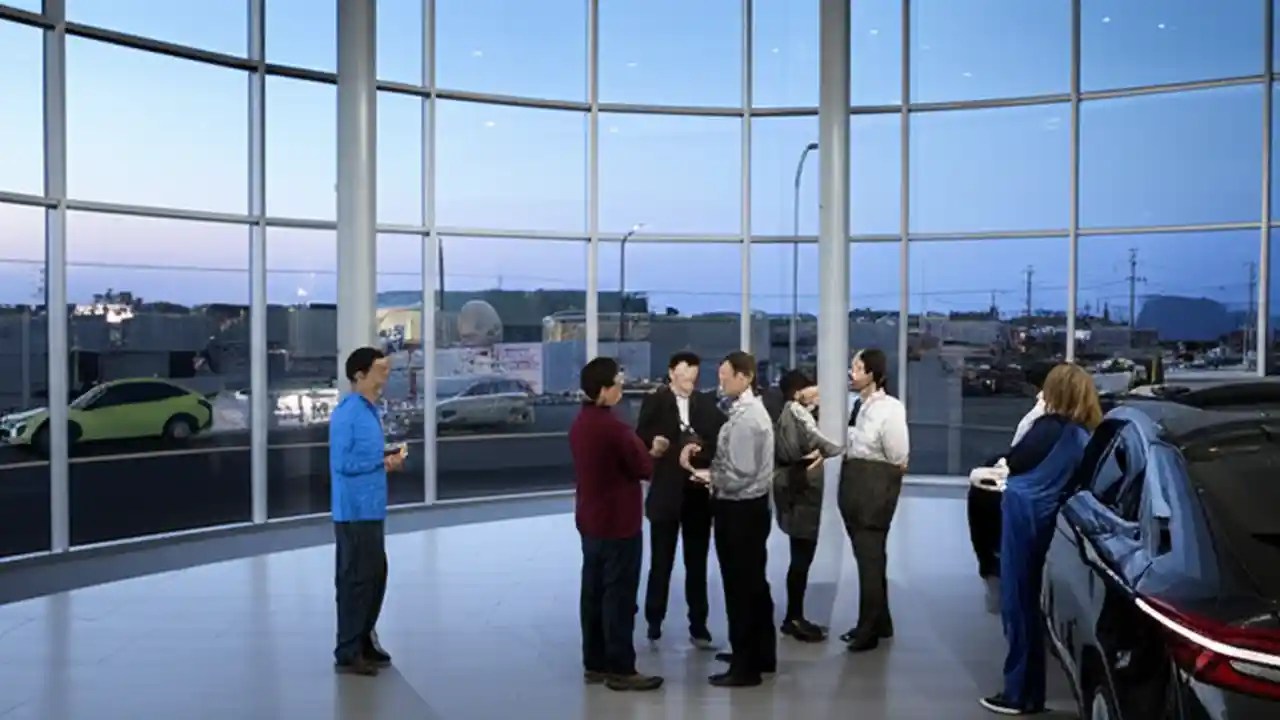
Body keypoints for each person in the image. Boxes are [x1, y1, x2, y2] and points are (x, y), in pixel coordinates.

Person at [980, 363, 1102, 715]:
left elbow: (1015, 459)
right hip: (1050, 522)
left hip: (1023, 518)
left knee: (1017, 607)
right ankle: (1027, 693)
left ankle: (1019, 694)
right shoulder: (1084, 435)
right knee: (1032, 607)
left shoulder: (1048, 428)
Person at [568, 357, 664, 692]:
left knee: (592, 593)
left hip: (590, 519)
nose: (622, 389)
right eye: (617, 384)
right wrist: (654, 450)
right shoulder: (616, 429)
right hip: (619, 523)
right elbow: (643, 467)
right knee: (619, 597)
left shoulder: (580, 424)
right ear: (604, 390)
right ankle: (621, 667)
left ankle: (594, 662)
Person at [682, 351, 776, 688]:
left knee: (740, 588)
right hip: (751, 508)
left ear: (745, 377)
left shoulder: (748, 419)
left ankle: (745, 665)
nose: (720, 380)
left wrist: (709, 477)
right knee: (754, 585)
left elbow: (741, 472)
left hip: (739, 510)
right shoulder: (746, 412)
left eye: (725, 375)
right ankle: (758, 653)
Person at [634, 352, 723, 648]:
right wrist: (661, 447)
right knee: (662, 562)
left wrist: (699, 450)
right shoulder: (656, 401)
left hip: (697, 494)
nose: (689, 381)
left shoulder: (705, 404)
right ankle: (653, 620)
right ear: (672, 372)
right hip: (666, 493)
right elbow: (642, 437)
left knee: (697, 563)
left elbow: (719, 436)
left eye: (693, 376)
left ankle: (699, 624)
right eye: (684, 375)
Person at [330, 346, 404, 676]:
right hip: (354, 512)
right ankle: (348, 648)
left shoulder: (370, 410)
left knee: (374, 577)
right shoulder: (348, 414)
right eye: (380, 370)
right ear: (359, 375)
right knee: (356, 581)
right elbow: (342, 463)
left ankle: (364, 640)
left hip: (371, 509)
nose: (385, 376)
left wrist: (384, 460)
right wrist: (380, 461)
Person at [839, 348, 910, 653]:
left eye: (857, 368)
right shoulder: (858, 405)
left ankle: (867, 629)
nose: (851, 373)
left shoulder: (890, 408)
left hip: (873, 490)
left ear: (872, 373)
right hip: (855, 486)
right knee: (870, 560)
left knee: (870, 561)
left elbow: (898, 455)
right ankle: (880, 621)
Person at [773, 370, 843, 643]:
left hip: (803, 497)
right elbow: (802, 452)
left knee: (801, 559)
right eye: (811, 389)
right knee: (801, 560)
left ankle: (794, 615)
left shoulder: (798, 415)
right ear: (796, 392)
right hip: (800, 497)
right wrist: (825, 452)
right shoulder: (794, 415)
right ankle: (794, 617)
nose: (816, 393)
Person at [967, 360, 1055, 578]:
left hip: (1031, 484)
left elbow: (1023, 458)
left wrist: (1005, 466)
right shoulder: (1044, 414)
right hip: (1025, 473)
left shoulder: (1049, 420)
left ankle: (992, 562)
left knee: (983, 495)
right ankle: (992, 562)